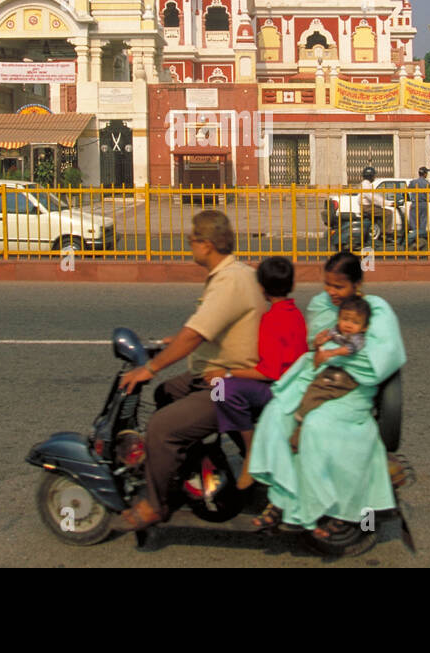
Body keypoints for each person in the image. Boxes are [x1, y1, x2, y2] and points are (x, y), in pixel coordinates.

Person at [114, 210, 265, 531]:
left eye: (192, 240)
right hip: (215, 373)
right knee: (166, 392)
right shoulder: (233, 273)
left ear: (207, 244)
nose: (189, 245)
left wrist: (150, 367)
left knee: (161, 428)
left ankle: (156, 505)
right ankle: (191, 468)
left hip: (228, 384)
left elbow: (195, 334)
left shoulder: (229, 281)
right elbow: (206, 325)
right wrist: (174, 341)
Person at [247, 250, 406, 541]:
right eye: (327, 285)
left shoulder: (377, 309)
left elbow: (378, 361)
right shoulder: (321, 305)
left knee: (317, 425)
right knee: (277, 413)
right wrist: (321, 352)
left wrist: (331, 355)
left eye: (339, 287)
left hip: (354, 389)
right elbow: (313, 348)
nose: (331, 293)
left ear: (357, 284)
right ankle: (282, 497)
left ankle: (333, 508)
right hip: (315, 379)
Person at [206, 256, 307, 490]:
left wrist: (228, 373)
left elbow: (268, 372)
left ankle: (250, 448)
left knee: (221, 391)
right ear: (291, 285)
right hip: (293, 384)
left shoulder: (272, 319)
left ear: (260, 287)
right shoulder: (296, 314)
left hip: (278, 388)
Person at [289, 295, 369, 452]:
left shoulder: (357, 338)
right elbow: (324, 339)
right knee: (314, 388)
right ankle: (301, 421)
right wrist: (319, 342)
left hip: (345, 375)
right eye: (345, 319)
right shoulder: (336, 331)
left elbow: (350, 349)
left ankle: (301, 424)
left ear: (364, 327)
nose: (348, 325)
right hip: (330, 369)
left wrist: (332, 352)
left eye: (355, 322)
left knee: (321, 392)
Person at [408, 166, 430, 249]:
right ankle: (421, 239)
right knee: (423, 222)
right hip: (423, 204)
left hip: (415, 204)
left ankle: (415, 238)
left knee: (414, 223)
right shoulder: (427, 183)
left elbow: (406, 190)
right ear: (425, 174)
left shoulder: (413, 182)